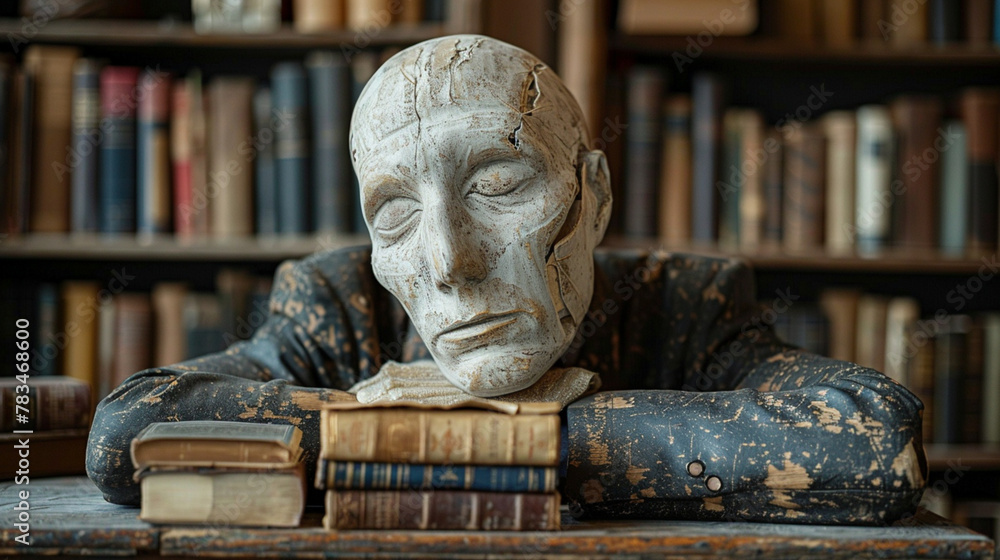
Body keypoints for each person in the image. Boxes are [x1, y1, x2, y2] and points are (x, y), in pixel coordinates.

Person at [87, 35, 926, 524]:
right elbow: (131, 430)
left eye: (497, 186)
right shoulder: (336, 303)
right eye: (397, 215)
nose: (451, 262)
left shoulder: (687, 305)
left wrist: (507, 433)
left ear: (591, 197)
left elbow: (870, 442)